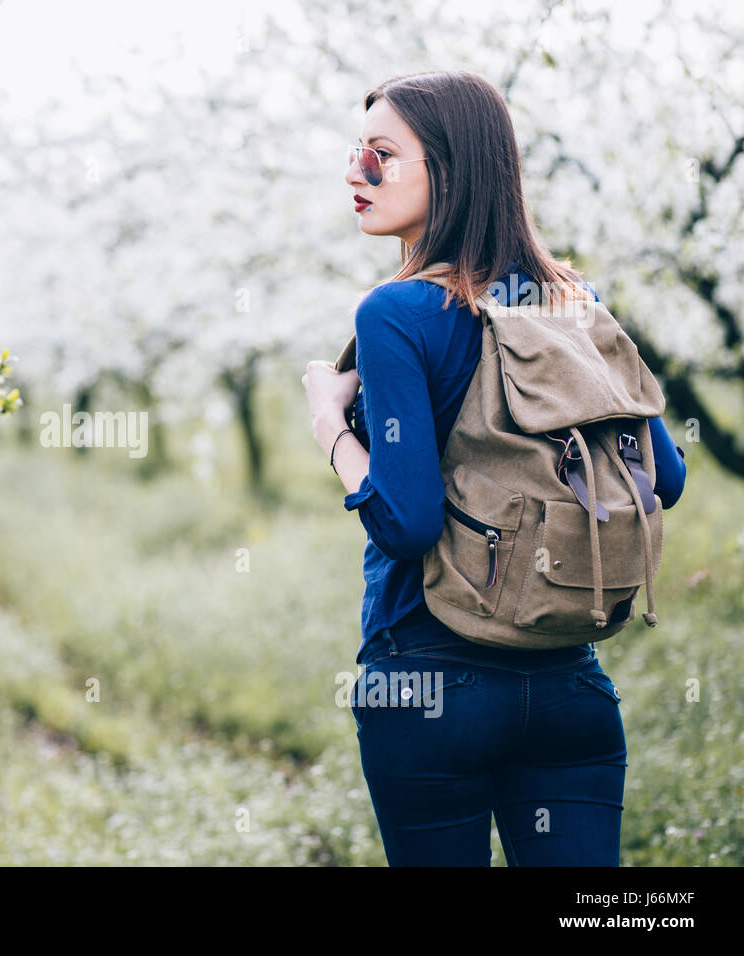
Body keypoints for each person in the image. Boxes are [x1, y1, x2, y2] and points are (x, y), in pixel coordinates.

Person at [301, 70, 688, 866]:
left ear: (448, 171)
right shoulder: (569, 302)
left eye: (381, 156)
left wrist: (330, 427)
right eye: (355, 153)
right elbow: (664, 480)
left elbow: (406, 525)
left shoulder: (396, 313)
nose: (355, 173)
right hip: (571, 690)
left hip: (427, 681)